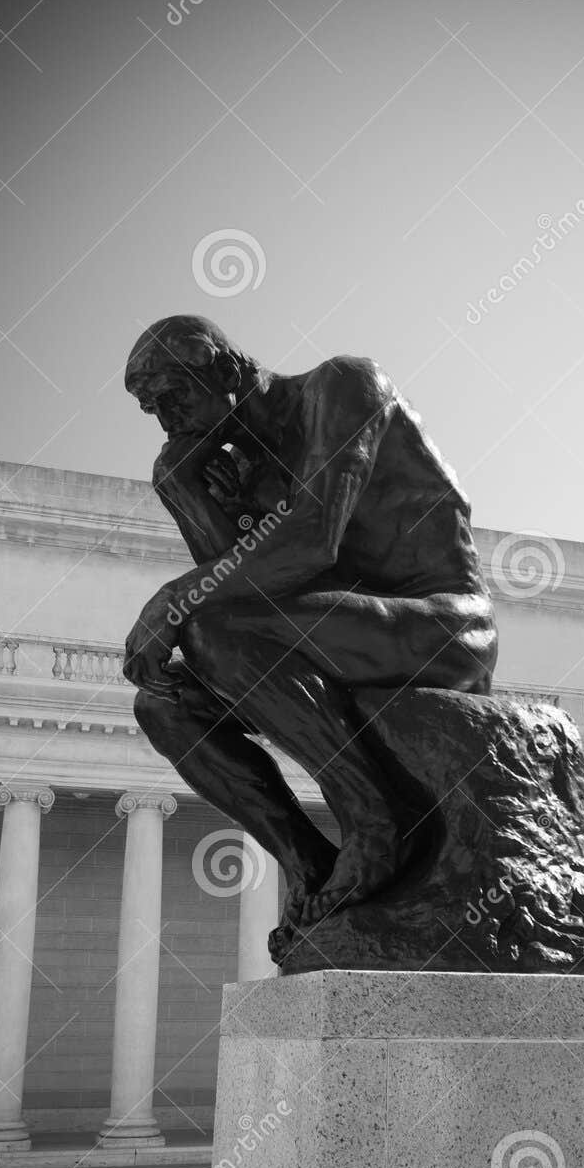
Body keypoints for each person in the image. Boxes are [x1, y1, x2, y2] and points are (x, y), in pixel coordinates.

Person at [122, 315, 498, 944]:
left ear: (225, 369)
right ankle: (308, 862)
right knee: (163, 704)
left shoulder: (343, 387)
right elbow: (246, 599)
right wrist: (183, 489)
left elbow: (311, 543)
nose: (167, 421)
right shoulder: (245, 468)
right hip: (344, 635)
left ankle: (374, 817)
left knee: (205, 623)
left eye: (174, 397)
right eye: (152, 409)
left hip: (443, 626)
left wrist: (173, 599)